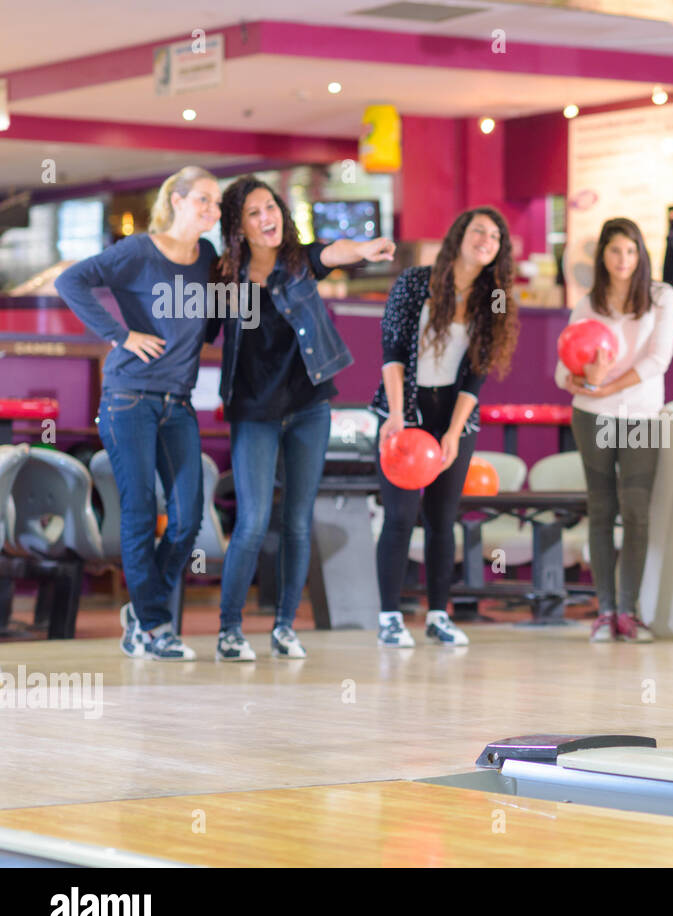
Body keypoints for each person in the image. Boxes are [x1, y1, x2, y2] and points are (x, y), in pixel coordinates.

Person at [208, 175, 396, 661]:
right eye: (253, 213)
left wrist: (368, 248)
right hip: (254, 411)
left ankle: (284, 627)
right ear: (238, 226)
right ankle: (230, 630)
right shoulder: (227, 278)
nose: (266, 218)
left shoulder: (299, 264)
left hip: (309, 407)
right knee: (251, 522)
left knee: (296, 520)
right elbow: (201, 332)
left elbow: (334, 251)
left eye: (270, 207)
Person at [54, 166, 221, 661]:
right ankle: (153, 625)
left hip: (178, 402)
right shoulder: (139, 251)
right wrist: (120, 335)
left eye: (216, 203)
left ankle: (144, 612)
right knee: (140, 511)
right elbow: (71, 281)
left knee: (188, 515)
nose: (211, 210)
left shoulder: (207, 255)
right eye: (204, 201)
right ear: (177, 199)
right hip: (129, 397)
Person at [371, 207, 519, 647]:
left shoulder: (494, 297)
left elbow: (477, 374)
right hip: (403, 409)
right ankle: (390, 618)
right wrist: (396, 416)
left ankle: (438, 614)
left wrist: (454, 433)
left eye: (495, 236)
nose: (486, 240)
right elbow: (392, 353)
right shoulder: (415, 282)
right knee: (398, 518)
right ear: (459, 235)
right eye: (479, 230)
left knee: (442, 520)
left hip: (452, 415)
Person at [556, 218, 673, 642]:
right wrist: (577, 380)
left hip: (641, 416)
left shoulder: (663, 297)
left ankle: (629, 612)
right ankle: (605, 612)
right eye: (614, 251)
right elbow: (562, 367)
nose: (623, 260)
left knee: (637, 513)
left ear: (641, 254)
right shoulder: (589, 303)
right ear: (602, 256)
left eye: (631, 251)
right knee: (601, 511)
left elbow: (658, 361)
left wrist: (608, 382)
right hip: (591, 414)